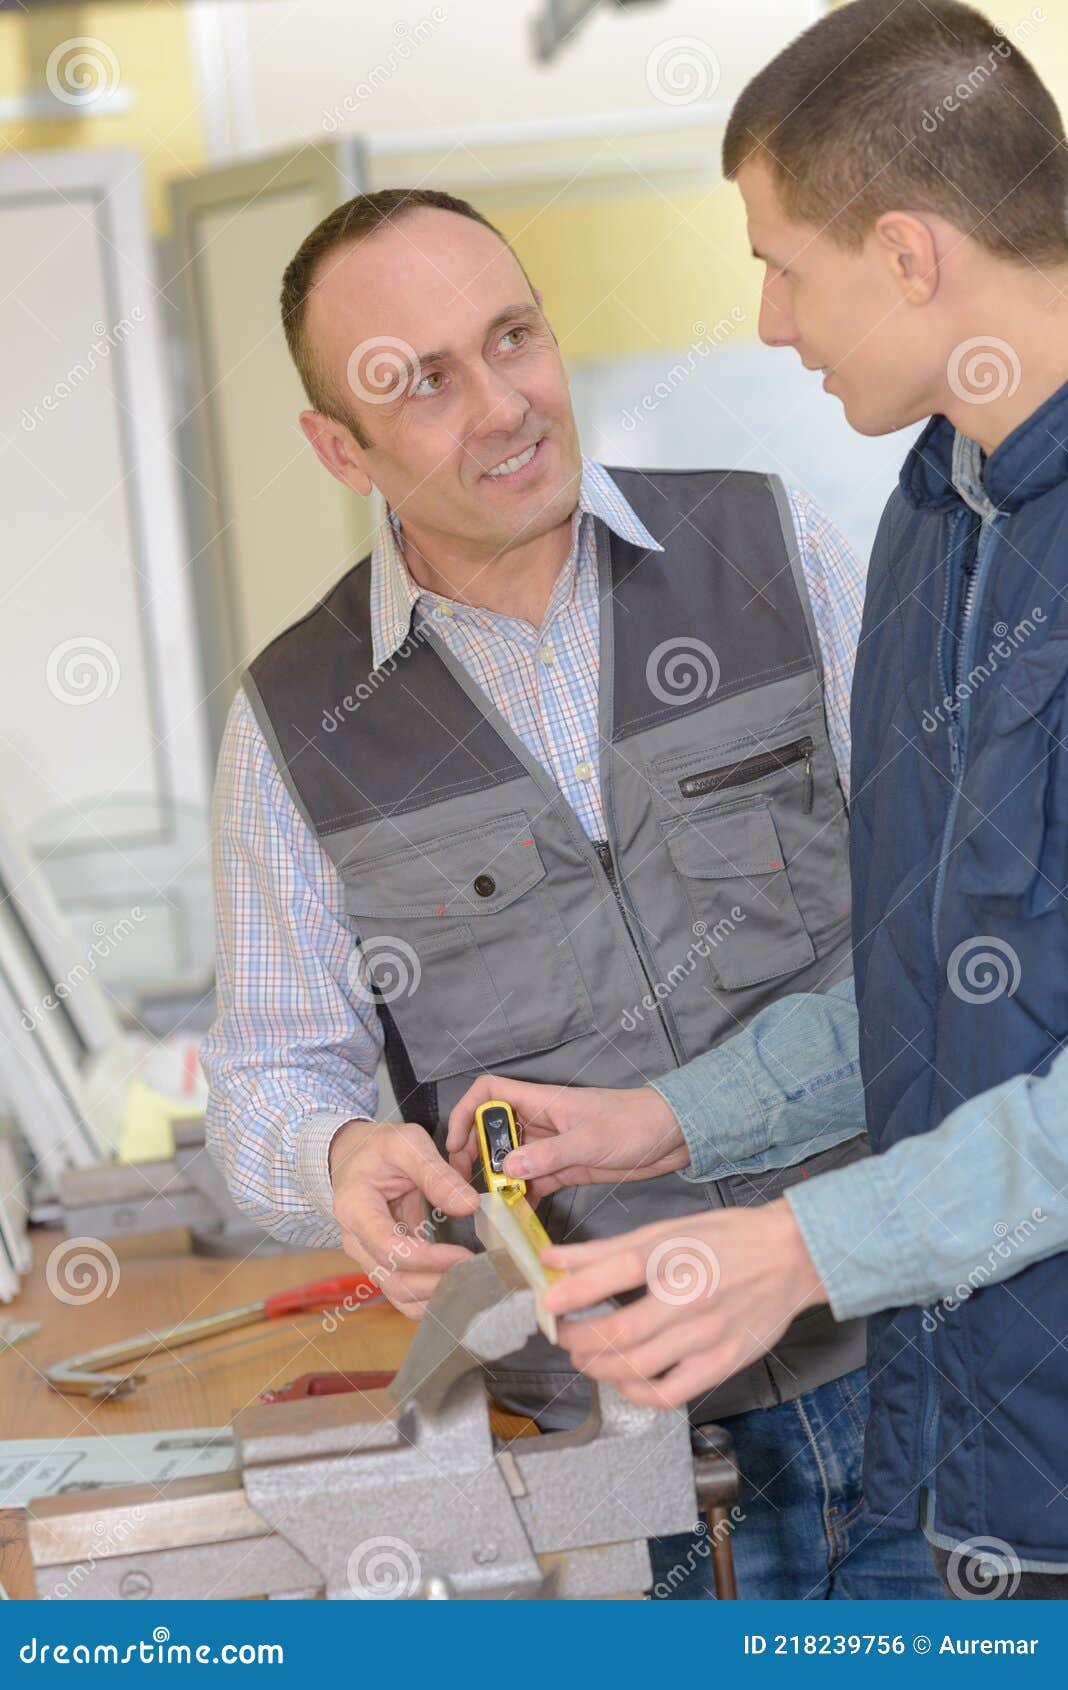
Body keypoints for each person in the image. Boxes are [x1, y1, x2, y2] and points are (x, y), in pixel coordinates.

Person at [199, 184, 940, 1597]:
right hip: (608, 1456)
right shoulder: (297, 718)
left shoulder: (774, 549)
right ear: (335, 446)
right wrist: (340, 1160)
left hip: (915, 1357)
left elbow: (952, 952)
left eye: (514, 337)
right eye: (420, 382)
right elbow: (265, 1077)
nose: (503, 406)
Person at [449, 0, 1068, 1599]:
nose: (772, 317)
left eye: (785, 260)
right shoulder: (935, 521)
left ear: (912, 254)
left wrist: (802, 1246)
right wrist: (674, 1116)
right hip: (940, 1477)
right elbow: (943, 979)